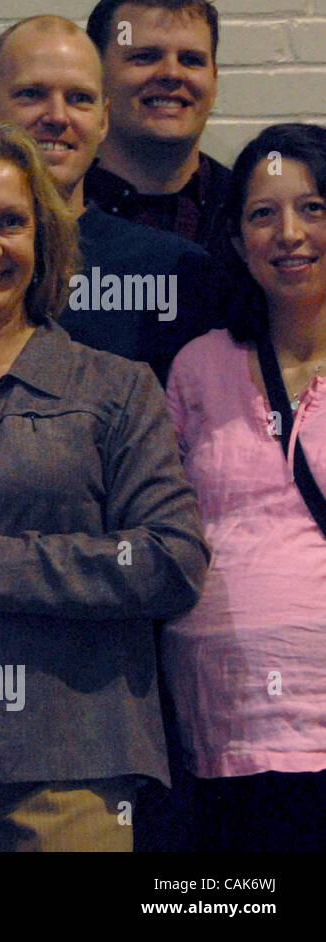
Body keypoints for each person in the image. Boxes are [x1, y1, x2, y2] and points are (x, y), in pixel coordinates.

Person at [0, 122, 209, 851]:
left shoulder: (114, 388)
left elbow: (172, 560)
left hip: (71, 765)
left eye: (10, 222)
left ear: (44, 239)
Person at [0, 14, 215, 381]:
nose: (57, 116)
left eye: (79, 99)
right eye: (32, 94)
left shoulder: (174, 270)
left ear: (103, 120)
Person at [163, 123, 326, 852]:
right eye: (263, 213)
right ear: (235, 238)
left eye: (313, 207)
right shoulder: (199, 366)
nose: (288, 233)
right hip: (223, 717)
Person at [84, 0, 231, 264]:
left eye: (191, 60)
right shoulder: (47, 217)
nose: (172, 74)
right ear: (96, 75)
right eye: (145, 56)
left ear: (214, 80)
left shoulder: (249, 211)